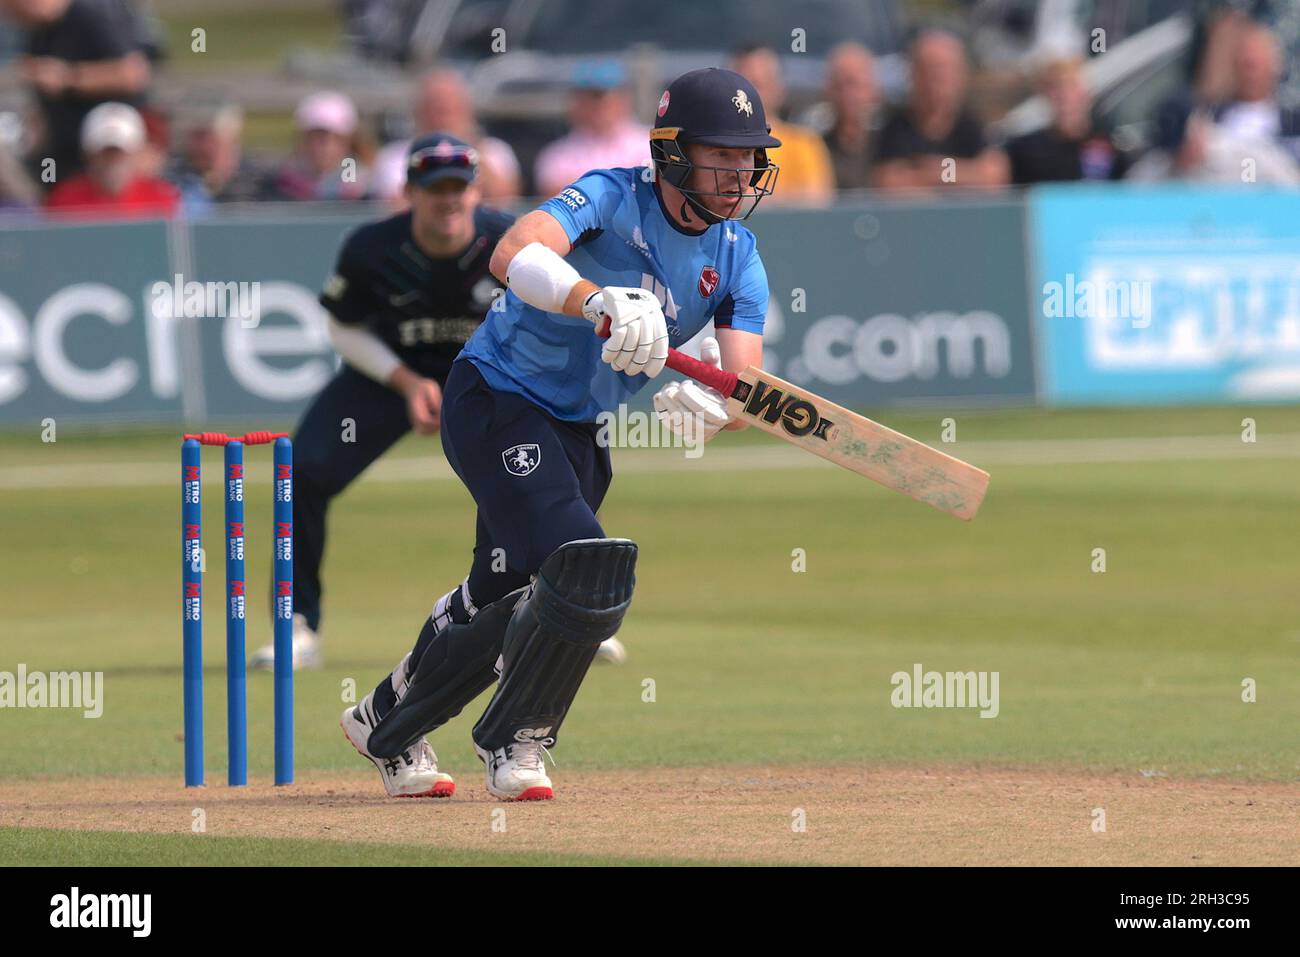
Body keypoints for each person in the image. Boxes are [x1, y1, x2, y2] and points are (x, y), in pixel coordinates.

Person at [341, 67, 778, 802]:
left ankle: (383, 718)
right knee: (586, 567)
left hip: (579, 428)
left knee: (502, 589)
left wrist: (721, 405)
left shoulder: (738, 257)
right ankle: (516, 739)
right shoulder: (611, 196)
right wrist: (594, 297)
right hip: (495, 396)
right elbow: (511, 253)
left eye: (747, 156)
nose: (738, 172)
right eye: (720, 154)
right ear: (671, 153)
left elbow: (744, 378)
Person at [4, 0, 151, 182]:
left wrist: (69, 77)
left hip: (106, 150)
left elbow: (132, 74)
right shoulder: (37, 33)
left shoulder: (87, 16)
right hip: (64, 156)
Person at [872, 30, 1008, 190]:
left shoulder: (975, 126)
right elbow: (889, 183)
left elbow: (993, 177)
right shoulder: (895, 129)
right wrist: (965, 174)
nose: (937, 80)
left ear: (961, 76)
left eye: (945, 71)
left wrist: (934, 172)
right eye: (930, 71)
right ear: (913, 75)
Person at [369, 69, 521, 205]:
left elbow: (506, 199)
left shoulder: (495, 150)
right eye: (433, 108)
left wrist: (467, 150)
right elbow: (398, 206)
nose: (441, 118)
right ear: (417, 112)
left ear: (467, 111)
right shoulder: (394, 156)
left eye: (450, 109)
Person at [731, 44, 834, 203]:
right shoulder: (716, 145)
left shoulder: (804, 143)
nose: (746, 95)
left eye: (757, 84)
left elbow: (815, 205)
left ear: (779, 88)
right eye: (740, 87)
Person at [533, 60, 649, 197]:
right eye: (585, 98)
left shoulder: (648, 143)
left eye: (600, 97)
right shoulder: (556, 155)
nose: (595, 106)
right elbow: (555, 198)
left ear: (622, 99)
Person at [44, 100, 178, 218]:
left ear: (136, 153)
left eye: (119, 153)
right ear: (88, 154)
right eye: (105, 153)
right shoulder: (64, 200)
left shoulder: (161, 197)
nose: (113, 161)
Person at [1005, 57, 1128, 184]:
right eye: (1056, 88)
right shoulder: (1026, 151)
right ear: (1045, 96)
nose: (1064, 96)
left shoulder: (1111, 146)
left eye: (1072, 87)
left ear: (1087, 94)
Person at [261, 91, 368, 202]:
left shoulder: (365, 187)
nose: (327, 147)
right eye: (319, 138)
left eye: (337, 139)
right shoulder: (279, 185)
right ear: (303, 139)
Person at [818, 42, 881, 191]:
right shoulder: (816, 149)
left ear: (874, 89)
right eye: (840, 85)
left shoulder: (888, 146)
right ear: (828, 90)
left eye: (856, 85)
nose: (849, 95)